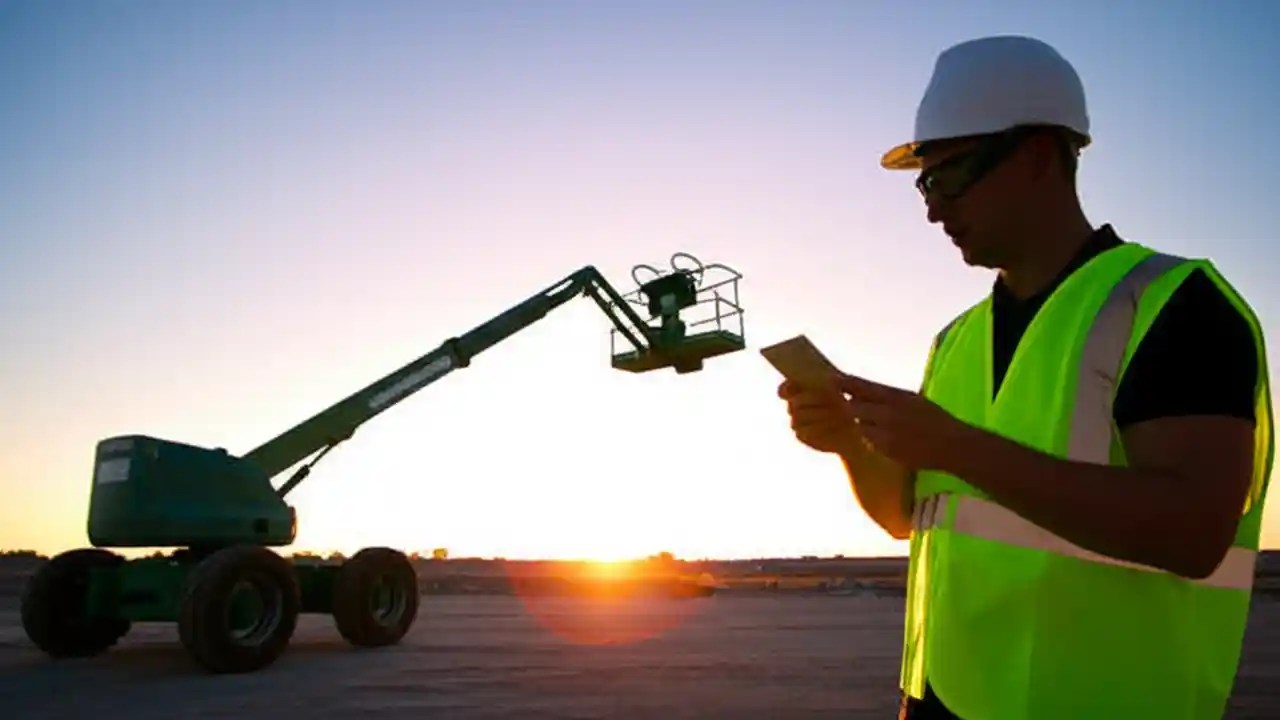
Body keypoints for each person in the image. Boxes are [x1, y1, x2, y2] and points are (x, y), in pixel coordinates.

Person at [778, 35, 1272, 720]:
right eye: (925, 183)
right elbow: (910, 515)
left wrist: (953, 444)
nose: (932, 207)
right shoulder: (957, 338)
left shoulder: (1172, 304)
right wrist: (851, 446)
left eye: (949, 175)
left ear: (1038, 154)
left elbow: (1191, 532)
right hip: (943, 699)